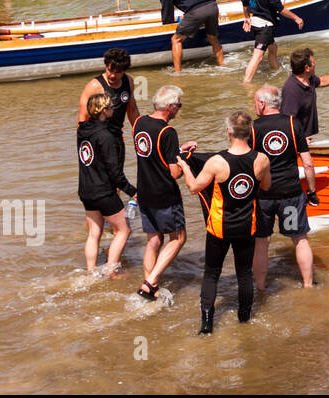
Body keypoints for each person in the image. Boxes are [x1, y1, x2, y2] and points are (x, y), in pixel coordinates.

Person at [179, 111, 271, 333]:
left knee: (212, 273)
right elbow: (266, 186)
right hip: (246, 226)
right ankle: (245, 321)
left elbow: (194, 188)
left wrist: (184, 166)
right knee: (244, 273)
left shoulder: (217, 162)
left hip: (219, 227)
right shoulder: (262, 159)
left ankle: (207, 326)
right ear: (250, 132)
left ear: (228, 131)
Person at [250, 84, 319, 290]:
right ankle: (308, 285)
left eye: (255, 102)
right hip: (290, 195)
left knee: (262, 242)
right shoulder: (292, 123)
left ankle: (260, 288)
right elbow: (307, 163)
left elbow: (248, 164)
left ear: (262, 104)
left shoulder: (253, 128)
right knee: (299, 238)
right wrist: (312, 192)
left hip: (264, 197)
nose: (254, 105)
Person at [134, 85, 197, 299]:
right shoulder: (168, 132)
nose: (179, 109)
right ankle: (150, 282)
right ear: (169, 107)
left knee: (153, 240)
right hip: (164, 194)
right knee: (178, 238)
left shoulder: (139, 123)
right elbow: (174, 173)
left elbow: (154, 155)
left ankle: (151, 286)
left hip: (144, 191)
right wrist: (184, 158)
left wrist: (177, 151)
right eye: (178, 105)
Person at [77, 93, 137, 276]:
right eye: (110, 107)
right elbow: (114, 172)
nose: (113, 109)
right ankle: (112, 270)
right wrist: (132, 191)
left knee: (94, 233)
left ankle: (91, 272)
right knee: (124, 229)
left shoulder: (82, 131)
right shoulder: (106, 136)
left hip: (86, 190)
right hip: (103, 191)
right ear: (104, 111)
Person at [240, 0, 303, 83]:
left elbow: (245, 0)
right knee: (258, 55)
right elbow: (279, 8)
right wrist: (296, 18)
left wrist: (247, 17)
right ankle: (246, 83)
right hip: (265, 25)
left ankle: (276, 71)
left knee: (273, 47)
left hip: (256, 21)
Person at [77, 47, 141, 171]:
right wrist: (84, 149)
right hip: (98, 141)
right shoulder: (94, 87)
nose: (112, 75)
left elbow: (132, 111)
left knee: (117, 180)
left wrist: (140, 133)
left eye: (117, 72)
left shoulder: (129, 82)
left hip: (117, 140)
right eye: (109, 70)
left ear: (124, 71)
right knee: (102, 183)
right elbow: (82, 119)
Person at [158, 0, 224, 72]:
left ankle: (177, 73)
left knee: (176, 40)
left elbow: (167, 14)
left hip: (196, 12)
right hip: (213, 6)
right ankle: (222, 65)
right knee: (213, 38)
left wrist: (168, 26)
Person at [280, 47, 329, 138]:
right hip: (298, 139)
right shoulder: (291, 89)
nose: (315, 63)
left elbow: (322, 81)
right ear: (307, 68)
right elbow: (286, 121)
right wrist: (299, 140)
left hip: (307, 136)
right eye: (313, 62)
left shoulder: (309, 78)